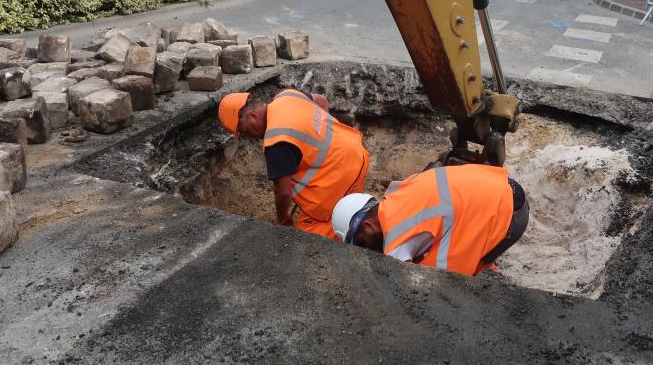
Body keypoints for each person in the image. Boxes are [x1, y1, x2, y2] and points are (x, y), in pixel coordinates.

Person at [217, 89, 371, 239]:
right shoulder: (287, 96)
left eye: (245, 131)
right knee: (351, 213)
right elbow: (322, 101)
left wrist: (282, 218)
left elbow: (283, 192)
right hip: (357, 153)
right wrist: (318, 131)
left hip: (341, 176)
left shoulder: (276, 140)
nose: (249, 136)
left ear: (252, 116)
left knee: (308, 239)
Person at [330, 164, 530, 277]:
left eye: (361, 243)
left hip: (508, 216)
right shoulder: (400, 192)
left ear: (368, 225)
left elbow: (403, 286)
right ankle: (486, 273)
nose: (366, 251)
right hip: (505, 188)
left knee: (438, 280)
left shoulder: (396, 240)